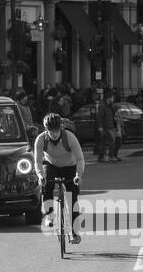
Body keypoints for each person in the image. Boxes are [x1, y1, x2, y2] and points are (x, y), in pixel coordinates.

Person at [33, 113, 85, 243]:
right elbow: (38, 161)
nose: (54, 134)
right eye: (51, 131)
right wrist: (40, 175)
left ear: (60, 128)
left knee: (72, 197)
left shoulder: (70, 137)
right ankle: (49, 216)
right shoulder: (41, 140)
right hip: (51, 165)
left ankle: (74, 233)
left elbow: (80, 159)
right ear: (46, 130)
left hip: (70, 166)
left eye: (56, 131)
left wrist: (78, 175)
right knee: (46, 184)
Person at [96, 91, 121, 163]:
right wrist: (100, 126)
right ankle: (111, 156)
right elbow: (99, 117)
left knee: (104, 142)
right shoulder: (103, 106)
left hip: (110, 126)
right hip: (106, 126)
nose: (113, 99)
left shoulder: (110, 106)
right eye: (112, 97)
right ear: (109, 98)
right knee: (111, 141)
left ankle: (101, 157)